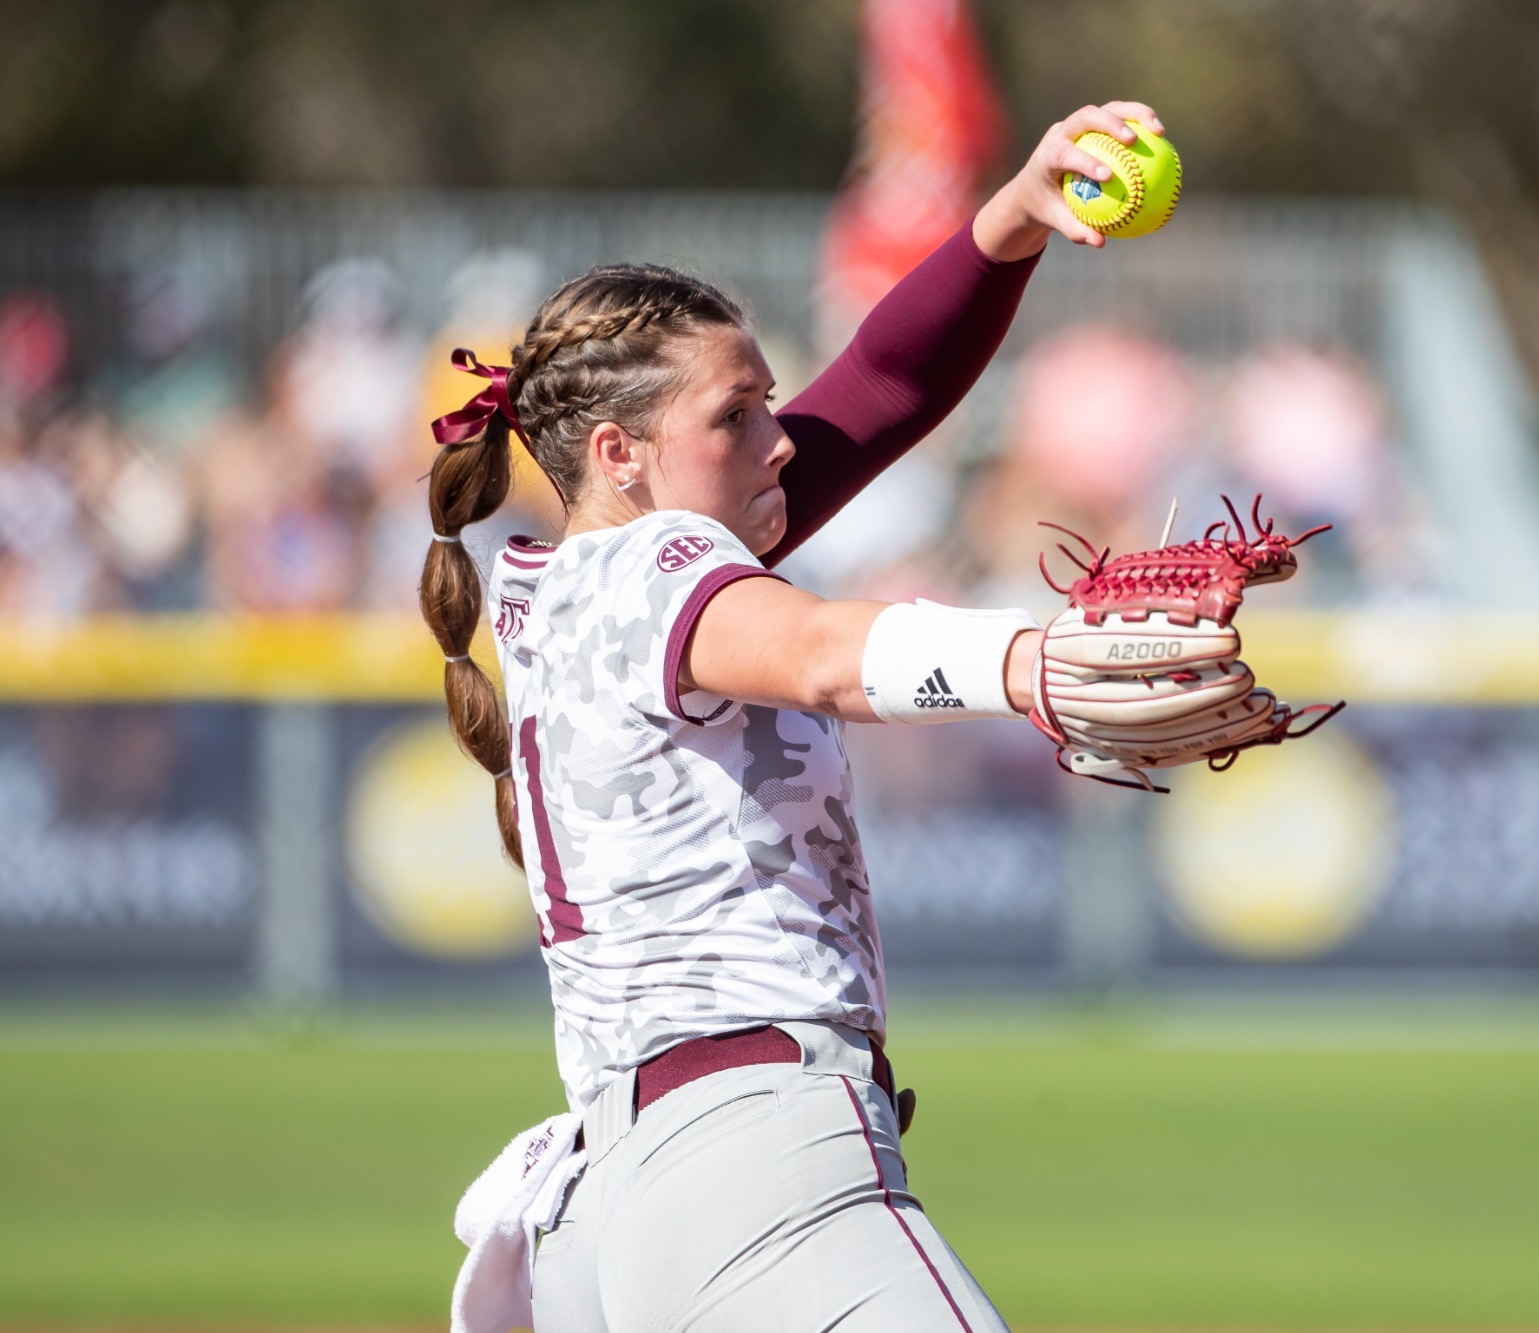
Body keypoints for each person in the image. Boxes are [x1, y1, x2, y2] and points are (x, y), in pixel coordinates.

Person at [423, 103, 1166, 1333]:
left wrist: (1012, 218)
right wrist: (1032, 660)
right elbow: (821, 656)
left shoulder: (559, 585)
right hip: (757, 1167)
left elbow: (879, 390)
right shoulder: (656, 564)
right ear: (618, 452)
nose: (777, 439)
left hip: (620, 1207)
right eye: (737, 415)